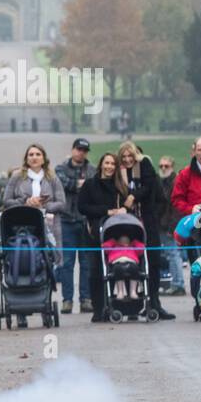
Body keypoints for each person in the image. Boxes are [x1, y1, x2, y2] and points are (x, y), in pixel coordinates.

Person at [1, 144, 67, 328]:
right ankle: (20, 310)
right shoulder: (17, 177)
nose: (34, 157)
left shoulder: (52, 178)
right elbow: (6, 201)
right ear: (26, 158)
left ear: (44, 158)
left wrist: (43, 207)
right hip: (21, 228)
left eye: (38, 154)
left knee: (45, 265)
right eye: (31, 154)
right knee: (22, 262)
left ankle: (44, 303)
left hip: (47, 226)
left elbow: (62, 203)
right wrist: (25, 202)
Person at [117, 141, 175, 319]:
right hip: (126, 223)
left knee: (153, 262)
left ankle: (155, 302)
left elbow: (150, 188)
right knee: (129, 261)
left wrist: (134, 196)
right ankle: (129, 304)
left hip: (148, 221)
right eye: (124, 157)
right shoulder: (118, 172)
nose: (127, 160)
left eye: (130, 156)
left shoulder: (145, 166)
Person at [77, 152, 127, 322]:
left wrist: (122, 210)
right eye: (107, 163)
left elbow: (127, 205)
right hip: (95, 233)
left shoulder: (120, 186)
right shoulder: (90, 184)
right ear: (101, 165)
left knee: (116, 268)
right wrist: (106, 211)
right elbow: (82, 207)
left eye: (113, 164)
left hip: (116, 233)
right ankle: (98, 308)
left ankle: (116, 305)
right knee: (95, 270)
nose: (110, 167)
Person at [54, 138, 95, 313]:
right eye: (78, 149)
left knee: (86, 262)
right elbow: (63, 185)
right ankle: (67, 300)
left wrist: (79, 185)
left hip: (85, 220)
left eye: (84, 150)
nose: (81, 153)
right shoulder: (60, 168)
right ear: (72, 150)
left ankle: (86, 299)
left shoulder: (92, 169)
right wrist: (81, 185)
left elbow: (92, 188)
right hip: (67, 219)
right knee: (67, 263)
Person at [155, 155, 187, 296]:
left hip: (170, 225)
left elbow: (176, 208)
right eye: (161, 166)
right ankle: (175, 283)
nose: (163, 168)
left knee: (173, 254)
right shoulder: (162, 181)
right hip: (162, 224)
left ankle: (178, 284)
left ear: (172, 167)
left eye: (166, 166)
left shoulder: (175, 182)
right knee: (170, 254)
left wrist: (172, 227)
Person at [103, 233, 145, 301]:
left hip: (131, 262)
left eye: (126, 240)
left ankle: (133, 291)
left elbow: (141, 249)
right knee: (118, 270)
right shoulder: (114, 246)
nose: (124, 241)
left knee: (135, 269)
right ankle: (120, 291)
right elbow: (105, 248)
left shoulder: (132, 247)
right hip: (117, 262)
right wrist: (113, 241)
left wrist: (134, 242)